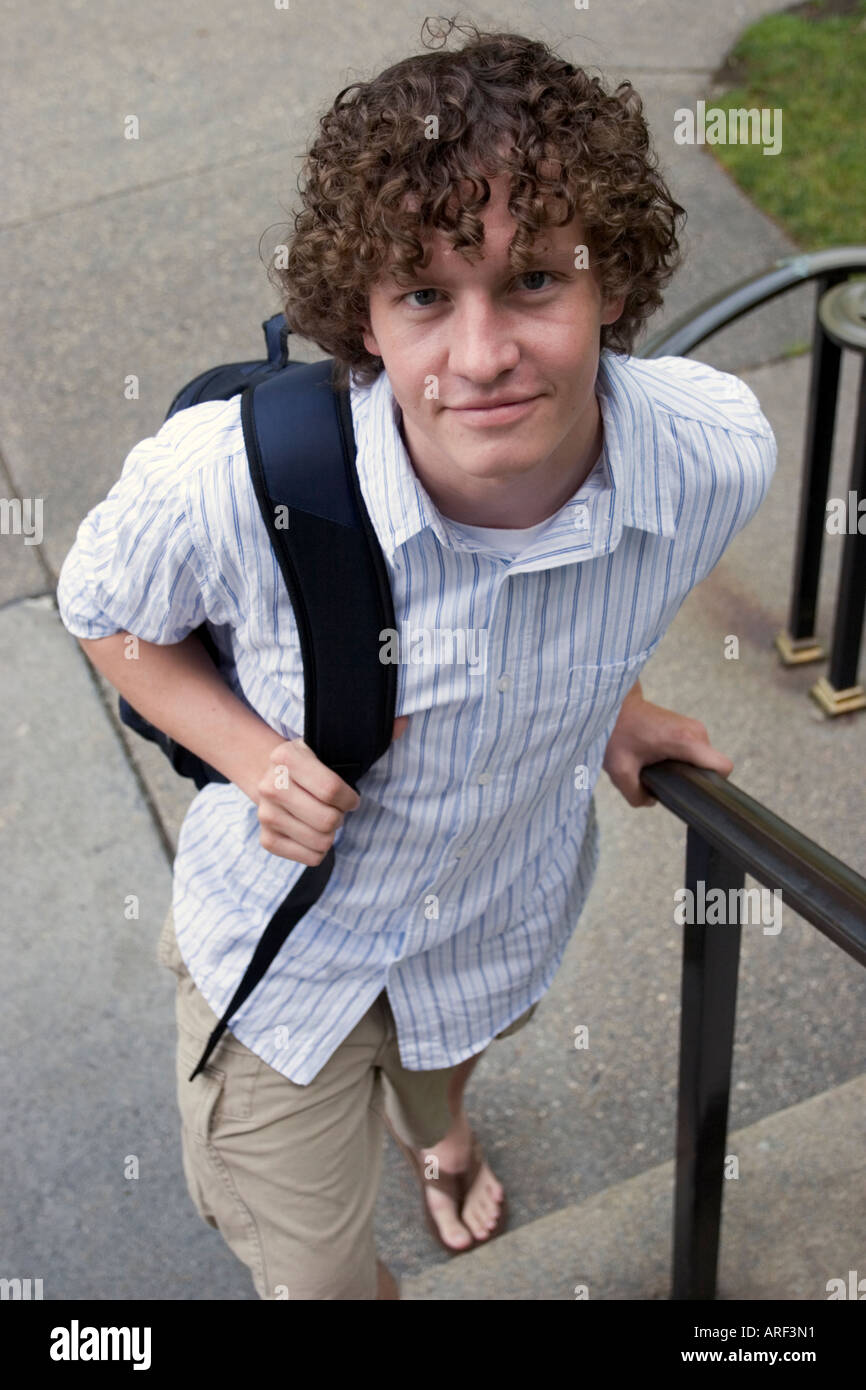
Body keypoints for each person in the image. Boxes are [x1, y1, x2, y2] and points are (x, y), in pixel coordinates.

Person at [56, 18, 776, 1300]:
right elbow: (102, 609)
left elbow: (622, 579)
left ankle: (437, 1134)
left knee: (445, 1067)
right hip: (286, 961)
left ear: (612, 282)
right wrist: (250, 753)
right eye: (426, 297)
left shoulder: (709, 456)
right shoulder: (227, 483)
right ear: (364, 318)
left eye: (534, 280)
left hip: (494, 918)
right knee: (320, 1284)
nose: (482, 354)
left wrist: (617, 702)